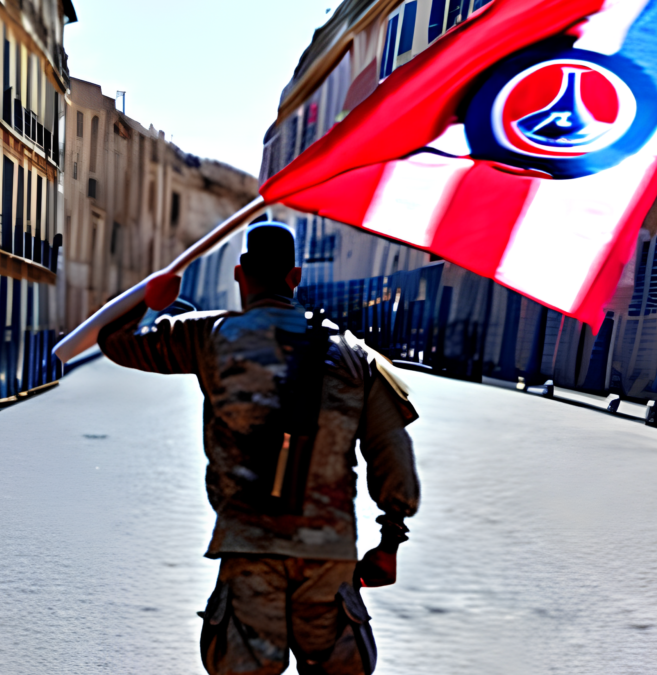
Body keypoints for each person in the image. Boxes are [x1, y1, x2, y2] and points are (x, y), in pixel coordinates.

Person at [98, 223, 420, 675]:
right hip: (327, 554)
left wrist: (153, 297)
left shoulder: (205, 336)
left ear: (240, 274)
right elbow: (392, 452)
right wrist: (390, 542)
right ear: (295, 277)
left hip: (248, 546)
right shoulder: (354, 355)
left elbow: (114, 341)